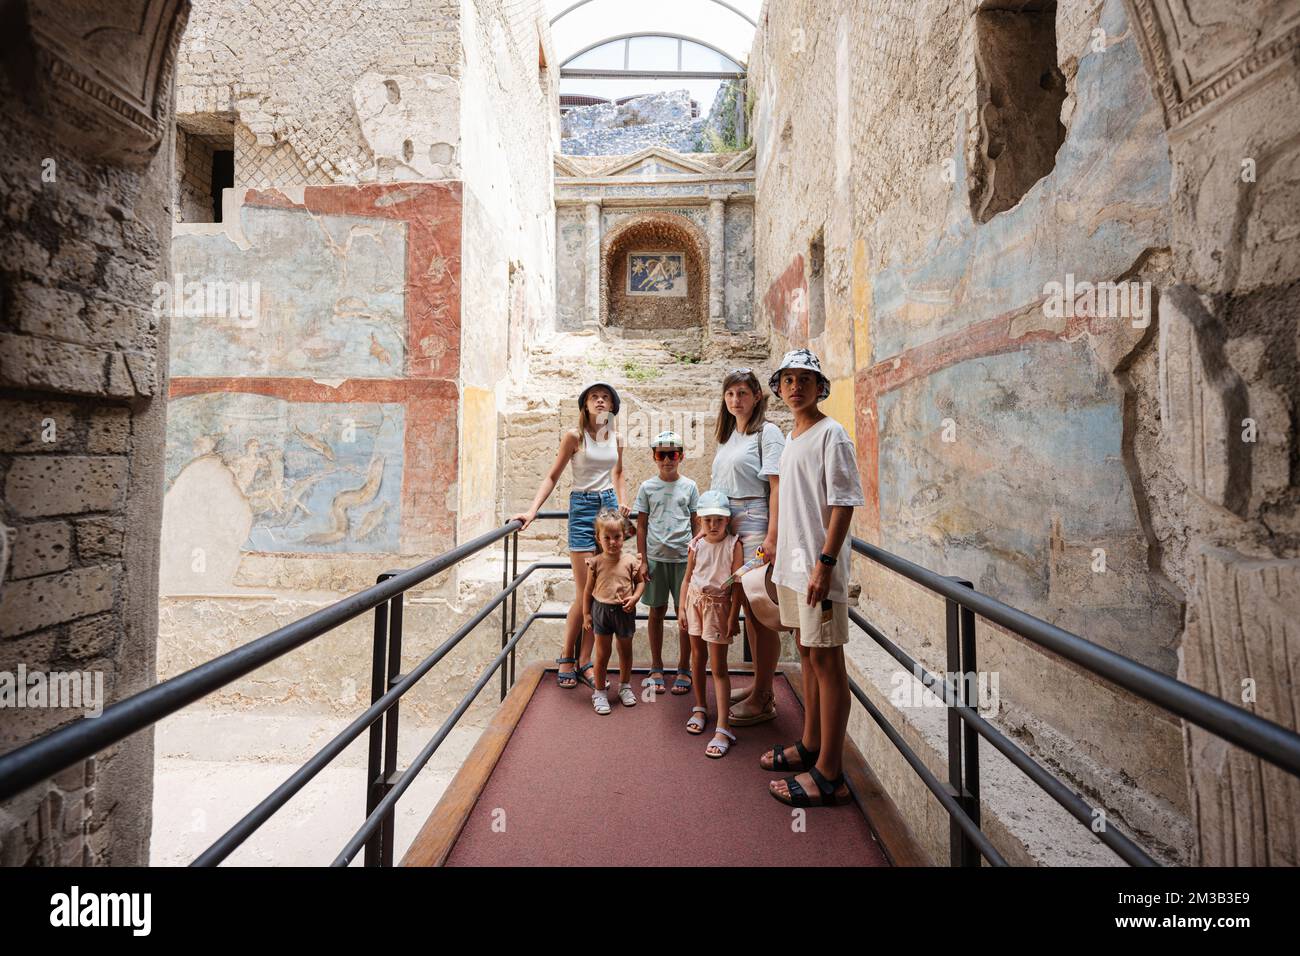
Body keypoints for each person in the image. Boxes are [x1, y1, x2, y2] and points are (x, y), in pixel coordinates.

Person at [764, 349, 864, 806]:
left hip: (818, 572)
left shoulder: (832, 434)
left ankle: (830, 772)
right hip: (792, 568)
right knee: (806, 653)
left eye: (806, 379)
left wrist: (825, 564)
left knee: (828, 663)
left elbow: (843, 502)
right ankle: (809, 745)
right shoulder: (791, 438)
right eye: (789, 380)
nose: (796, 387)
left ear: (820, 387)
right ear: (780, 387)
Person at [510, 381, 627, 690]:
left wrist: (622, 500)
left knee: (601, 591)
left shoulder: (617, 438)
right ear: (585, 405)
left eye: (605, 397)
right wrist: (532, 511)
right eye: (594, 397)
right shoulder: (575, 437)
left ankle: (586, 660)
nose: (600, 401)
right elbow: (552, 475)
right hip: (583, 506)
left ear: (613, 406)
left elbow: (617, 474)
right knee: (584, 592)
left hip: (610, 509)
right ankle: (566, 656)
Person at [703, 368, 785, 726]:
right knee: (741, 608)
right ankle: (757, 687)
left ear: (757, 397)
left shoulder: (767, 432)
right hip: (726, 527)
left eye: (743, 393)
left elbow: (778, 486)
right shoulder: (726, 436)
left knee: (759, 612)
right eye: (730, 394)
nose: (736, 400)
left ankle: (764, 696)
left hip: (754, 524)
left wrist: (773, 536)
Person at [634, 431, 700, 696]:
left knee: (684, 615)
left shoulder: (690, 486)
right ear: (654, 457)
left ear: (681, 456)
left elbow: (697, 522)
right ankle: (657, 666)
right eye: (661, 455)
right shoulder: (647, 487)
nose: (667, 460)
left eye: (672, 454)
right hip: (656, 560)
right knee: (656, 612)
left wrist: (697, 557)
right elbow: (641, 526)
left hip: (683, 560)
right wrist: (642, 560)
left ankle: (684, 667)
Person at [680, 490, 743, 757]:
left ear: (727, 520)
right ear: (699, 521)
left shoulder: (733, 545)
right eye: (707, 520)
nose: (713, 525)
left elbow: (737, 584)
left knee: (718, 667)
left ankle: (723, 726)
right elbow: (687, 578)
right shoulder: (696, 545)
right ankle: (700, 706)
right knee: (697, 658)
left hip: (719, 608)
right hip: (695, 603)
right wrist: (683, 608)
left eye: (718, 519)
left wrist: (732, 615)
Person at [582, 510, 646, 715]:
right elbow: (588, 591)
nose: (612, 542)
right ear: (598, 538)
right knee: (602, 654)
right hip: (601, 611)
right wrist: (586, 613)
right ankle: (599, 691)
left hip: (624, 611)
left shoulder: (629, 561)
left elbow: (641, 583)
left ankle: (625, 685)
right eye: (606, 538)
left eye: (617, 537)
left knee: (625, 651)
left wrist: (635, 598)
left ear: (625, 535)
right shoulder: (596, 562)